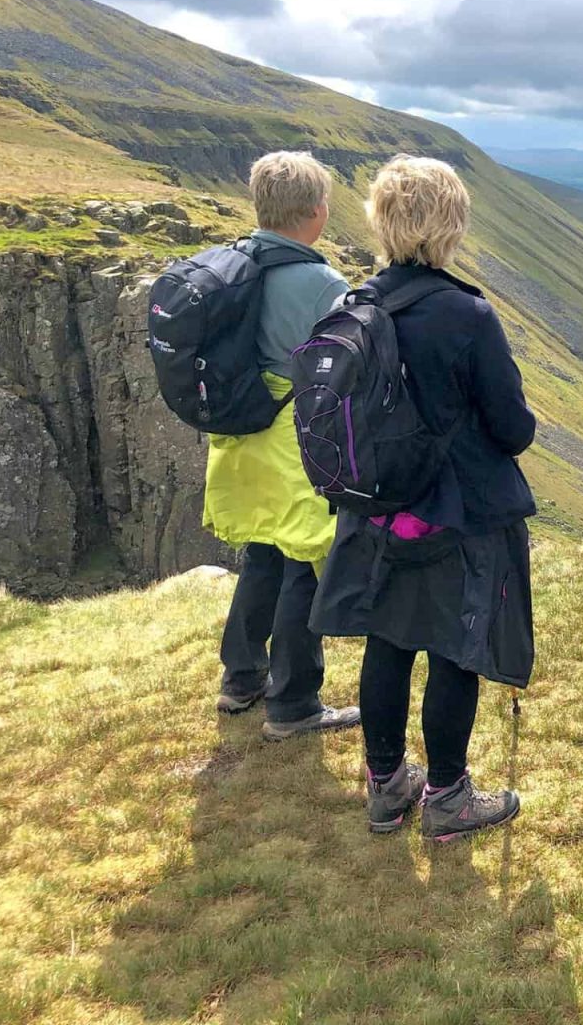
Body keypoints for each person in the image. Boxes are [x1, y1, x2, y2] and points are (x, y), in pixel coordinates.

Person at [310, 155, 537, 841]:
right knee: (452, 649)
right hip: (453, 514)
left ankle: (385, 787)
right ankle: (448, 797)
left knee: (387, 641)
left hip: (374, 508)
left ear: (381, 221)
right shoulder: (466, 314)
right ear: (451, 225)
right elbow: (513, 428)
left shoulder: (356, 305)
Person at [206, 151, 361, 740]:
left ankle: (241, 678)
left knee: (265, 556)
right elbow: (346, 369)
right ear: (318, 211)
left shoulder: (231, 268)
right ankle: (294, 705)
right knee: (305, 564)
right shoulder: (322, 284)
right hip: (295, 441)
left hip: (239, 438)